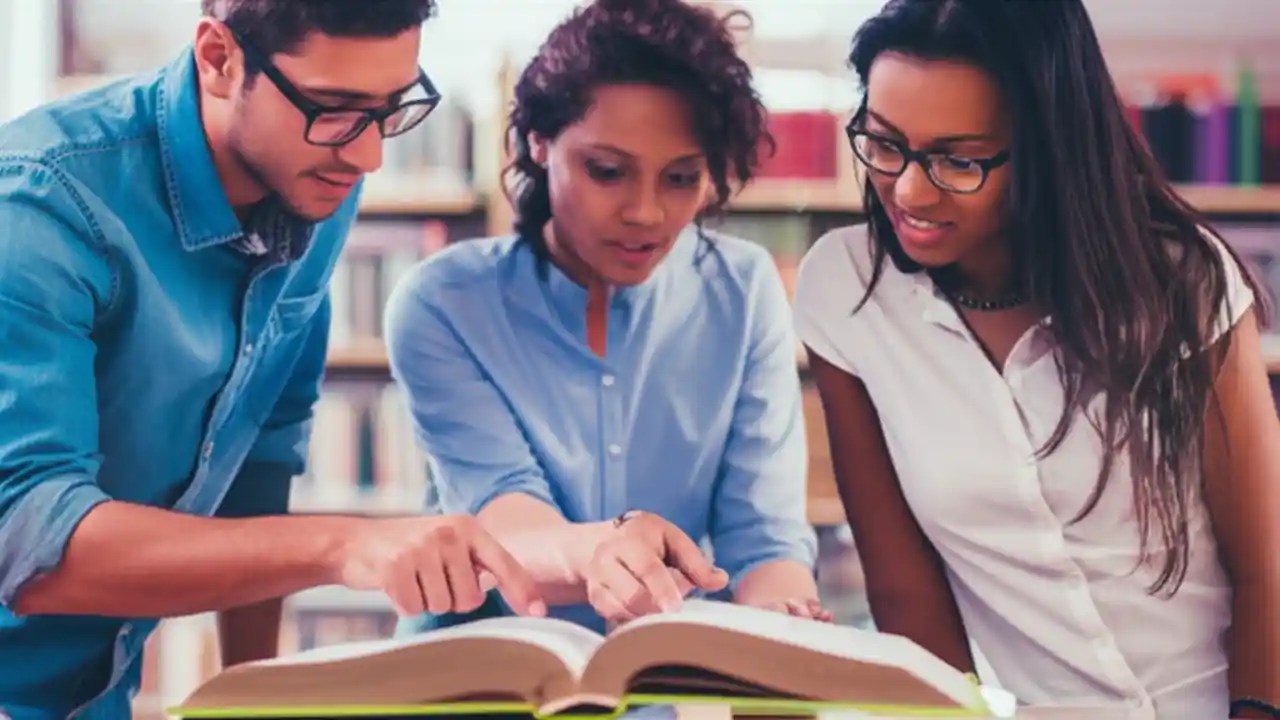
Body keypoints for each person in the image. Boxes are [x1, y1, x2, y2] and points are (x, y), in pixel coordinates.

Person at [0, 2, 544, 717]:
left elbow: (263, 448)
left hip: (95, 690)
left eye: (389, 108)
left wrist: (252, 695)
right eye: (333, 108)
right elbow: (30, 540)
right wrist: (346, 546)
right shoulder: (42, 202)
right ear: (218, 58)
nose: (367, 155)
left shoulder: (315, 180)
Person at [793, 1, 1280, 718]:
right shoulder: (846, 291)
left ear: (1051, 149)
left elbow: (1265, 570)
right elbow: (904, 590)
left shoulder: (1183, 280)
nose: (908, 191)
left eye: (958, 160)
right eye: (886, 143)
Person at [385, 0, 824, 636]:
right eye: (607, 171)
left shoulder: (745, 289)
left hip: (653, 687)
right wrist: (607, 548)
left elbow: (763, 539)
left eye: (681, 177)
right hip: (477, 677)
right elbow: (506, 518)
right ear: (537, 143)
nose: (646, 212)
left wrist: (785, 618)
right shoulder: (445, 302)